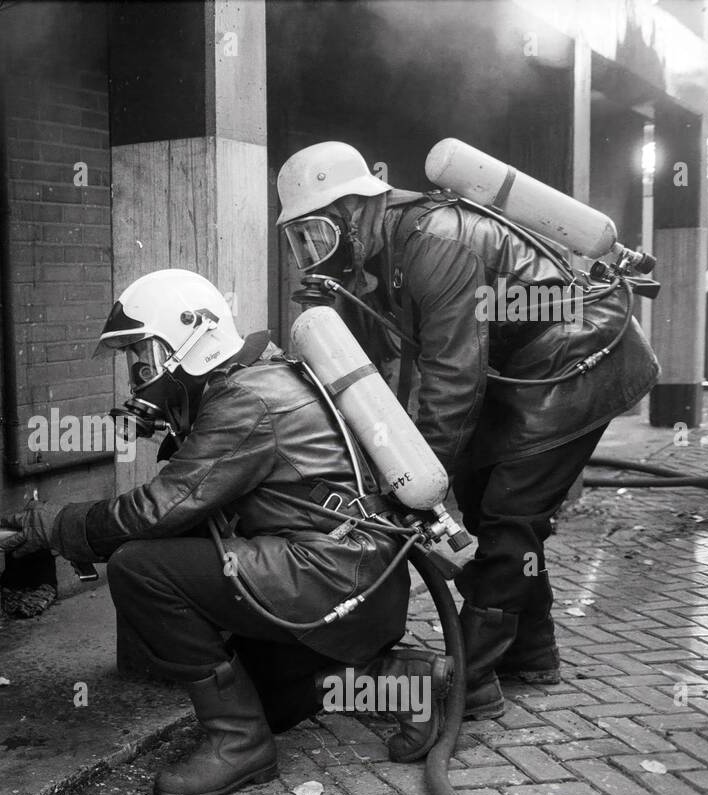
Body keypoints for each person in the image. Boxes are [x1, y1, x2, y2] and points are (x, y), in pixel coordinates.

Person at [0, 268, 446, 795]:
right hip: (351, 576)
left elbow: (157, 511)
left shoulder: (246, 400)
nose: (138, 374)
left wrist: (56, 526)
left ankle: (239, 744)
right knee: (275, 701)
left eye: (143, 354)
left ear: (187, 338)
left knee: (142, 568)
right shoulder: (257, 380)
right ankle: (415, 681)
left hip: (329, 576)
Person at [274, 142, 660, 719]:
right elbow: (404, 369)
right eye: (302, 240)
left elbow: (452, 376)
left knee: (509, 515)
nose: (314, 253)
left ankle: (470, 677)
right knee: (486, 506)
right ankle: (532, 652)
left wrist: (415, 482)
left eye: (321, 232)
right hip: (527, 367)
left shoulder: (435, 243)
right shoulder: (389, 252)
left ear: (356, 211)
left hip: (579, 360)